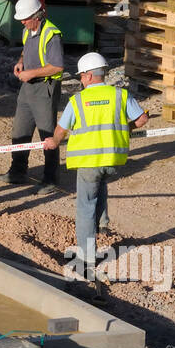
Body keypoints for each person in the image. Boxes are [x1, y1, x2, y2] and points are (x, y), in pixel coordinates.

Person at [42, 52, 148, 281]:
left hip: (88, 162)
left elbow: (62, 128)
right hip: (112, 161)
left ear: (90, 76)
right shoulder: (120, 95)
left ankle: (87, 258)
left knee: (85, 207)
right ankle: (102, 225)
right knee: (100, 189)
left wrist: (54, 142)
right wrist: (123, 128)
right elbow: (141, 120)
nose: (80, 80)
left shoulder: (78, 101)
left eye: (81, 76)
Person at [0, 0, 64, 189]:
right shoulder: (28, 30)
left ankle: (50, 178)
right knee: (20, 131)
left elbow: (57, 67)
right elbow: (25, 50)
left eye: (25, 19)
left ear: (37, 16)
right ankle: (17, 171)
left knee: (47, 135)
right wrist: (21, 63)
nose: (23, 23)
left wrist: (32, 73)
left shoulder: (52, 35)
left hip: (45, 88)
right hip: (27, 89)